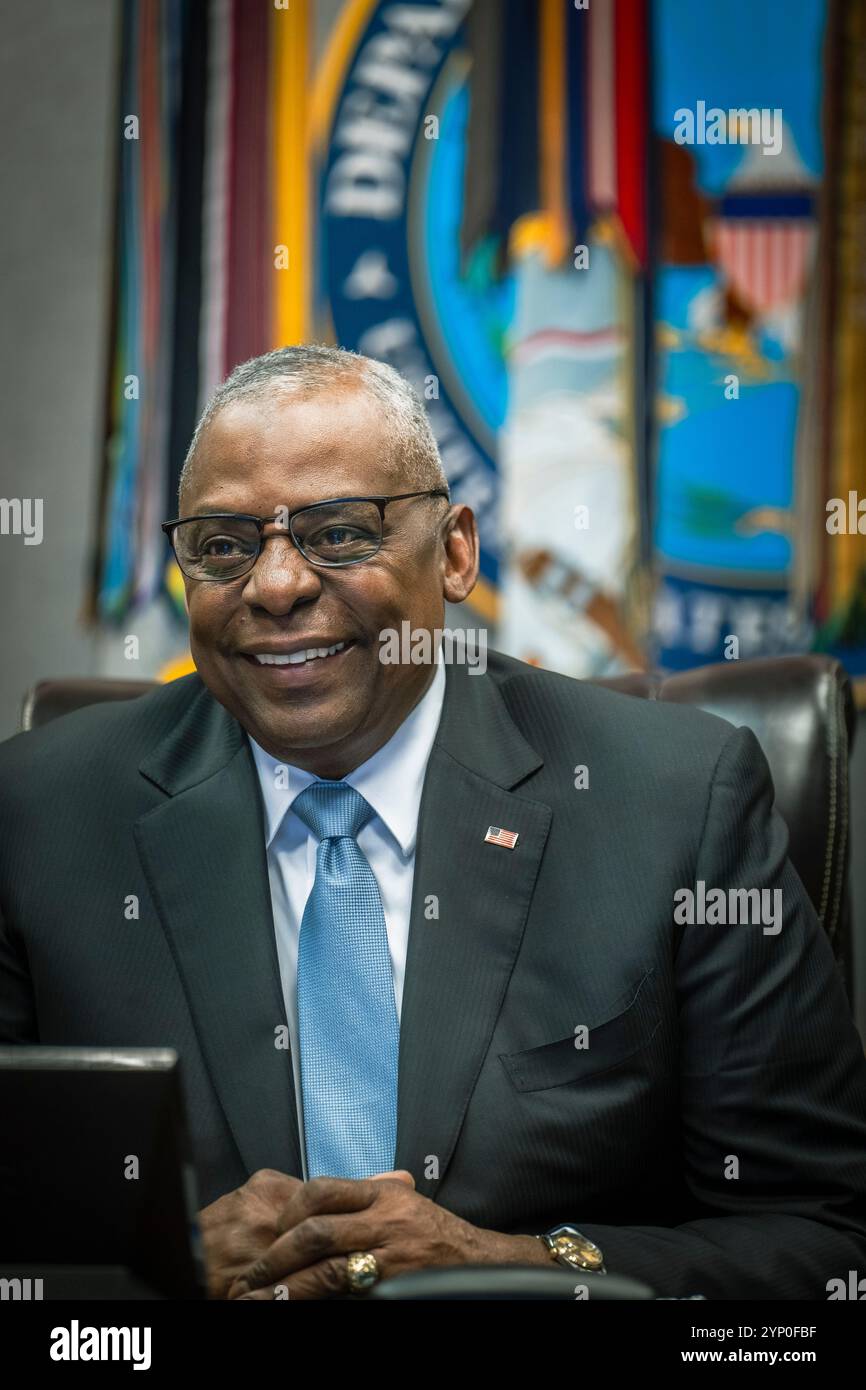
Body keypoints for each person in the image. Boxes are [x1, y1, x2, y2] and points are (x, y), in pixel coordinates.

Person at [1, 344, 865, 1302]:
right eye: (223, 544)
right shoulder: (40, 814)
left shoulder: (674, 802)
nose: (276, 585)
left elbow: (824, 1240)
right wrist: (148, 1266)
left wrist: (520, 1267)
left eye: (338, 533)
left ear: (454, 552)